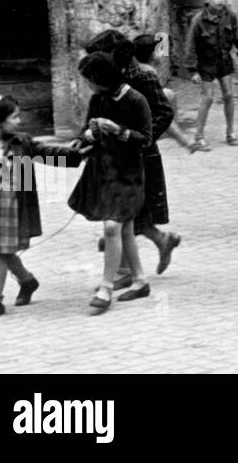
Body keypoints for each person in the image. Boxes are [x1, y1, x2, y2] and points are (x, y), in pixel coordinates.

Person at [0, 95, 81, 320]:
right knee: (2, 252)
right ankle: (27, 282)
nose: (19, 121)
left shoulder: (21, 142)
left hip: (13, 207)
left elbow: (48, 153)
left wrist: (75, 154)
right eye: (14, 117)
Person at [86, 30, 183, 286]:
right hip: (114, 157)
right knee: (128, 214)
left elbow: (164, 112)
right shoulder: (107, 84)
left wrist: (144, 140)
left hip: (139, 154)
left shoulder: (142, 78)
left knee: (124, 214)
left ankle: (124, 272)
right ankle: (157, 244)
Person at [70, 52, 154, 313]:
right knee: (124, 228)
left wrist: (119, 131)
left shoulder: (136, 99)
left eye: (89, 79)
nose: (87, 85)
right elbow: (88, 129)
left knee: (110, 228)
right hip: (104, 172)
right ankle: (140, 280)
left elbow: (146, 139)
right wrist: (83, 139)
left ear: (100, 77)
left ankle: (106, 288)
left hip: (129, 175)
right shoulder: (98, 99)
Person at [182, 0, 238, 147]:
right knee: (208, 98)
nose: (221, 1)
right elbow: (190, 46)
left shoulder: (230, 16)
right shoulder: (198, 20)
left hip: (224, 61)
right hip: (206, 64)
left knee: (228, 95)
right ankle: (199, 136)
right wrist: (193, 71)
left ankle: (230, 132)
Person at [133, 33, 202, 153]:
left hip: (142, 104)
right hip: (141, 112)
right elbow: (157, 103)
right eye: (157, 51)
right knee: (164, 111)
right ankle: (182, 139)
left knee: (169, 95)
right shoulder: (148, 72)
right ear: (153, 55)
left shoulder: (139, 67)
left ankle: (177, 136)